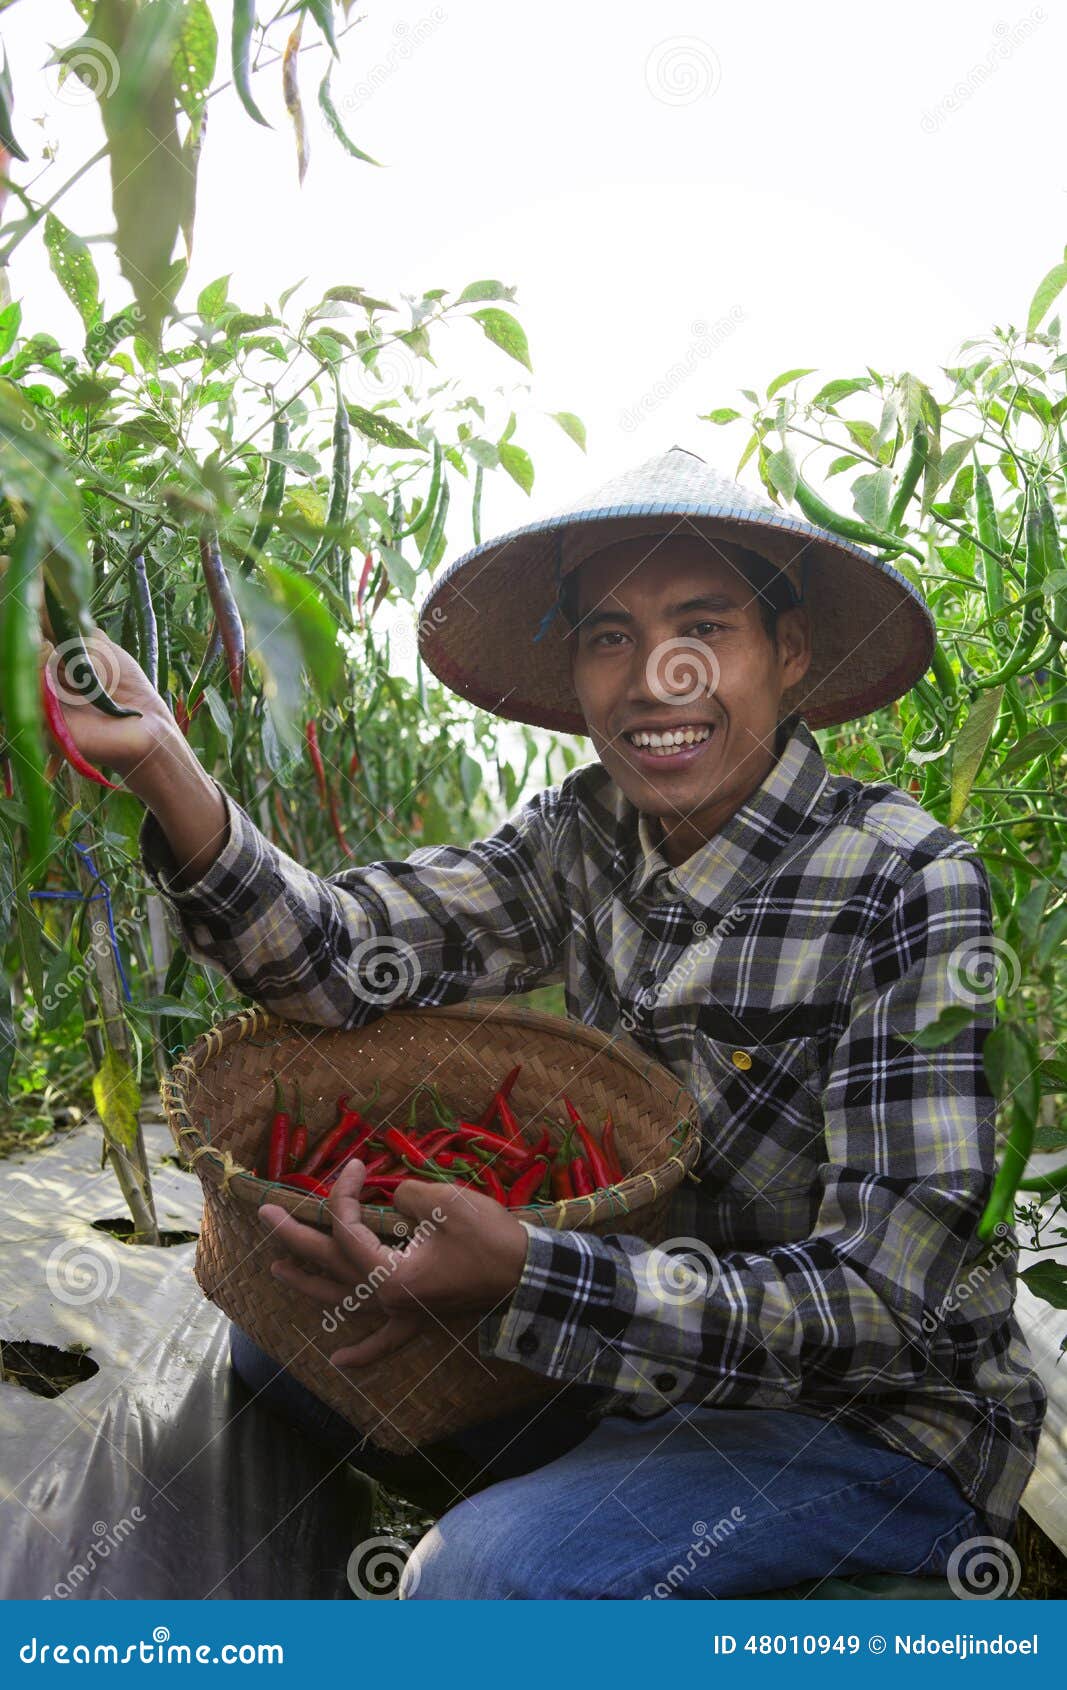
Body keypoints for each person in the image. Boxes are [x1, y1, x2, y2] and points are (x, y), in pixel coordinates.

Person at [47, 446, 1046, 1600]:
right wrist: (166, 765)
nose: (655, 677)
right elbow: (336, 959)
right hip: (636, 1365)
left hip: (859, 1425)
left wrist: (526, 1273)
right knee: (279, 1352)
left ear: (787, 653)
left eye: (702, 626)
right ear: (575, 670)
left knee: (480, 1574)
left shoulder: (904, 884)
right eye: (609, 635)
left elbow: (881, 1303)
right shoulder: (581, 836)